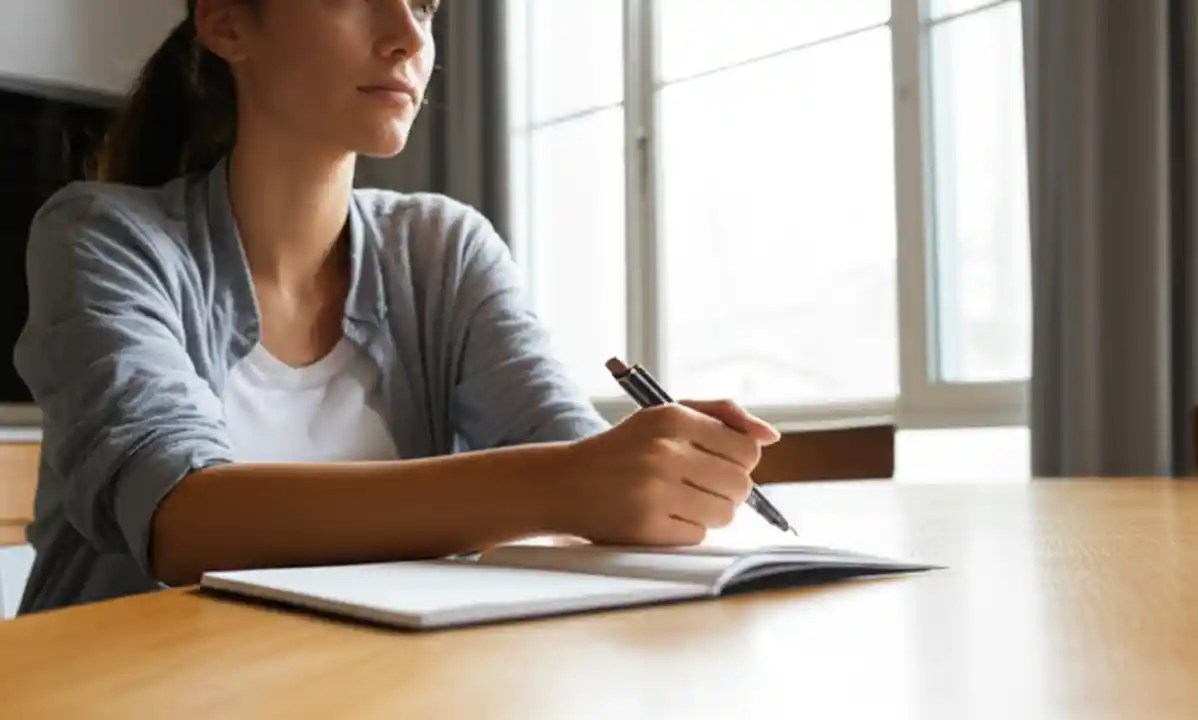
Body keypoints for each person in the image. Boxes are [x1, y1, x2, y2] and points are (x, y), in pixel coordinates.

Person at [13, 0, 780, 614]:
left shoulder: (442, 247)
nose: (406, 36)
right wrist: (572, 482)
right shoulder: (99, 234)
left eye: (425, 5)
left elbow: (570, 458)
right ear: (226, 22)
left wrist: (654, 477)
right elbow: (179, 518)